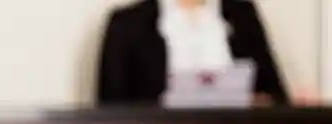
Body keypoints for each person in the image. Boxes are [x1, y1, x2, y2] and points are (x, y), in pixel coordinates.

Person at [97, 0, 289, 106]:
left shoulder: (242, 15)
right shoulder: (126, 25)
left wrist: (260, 102)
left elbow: (277, 99)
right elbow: (110, 116)